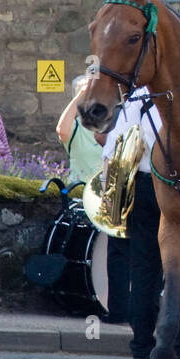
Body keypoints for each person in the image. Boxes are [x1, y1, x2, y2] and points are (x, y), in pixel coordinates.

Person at [105, 88, 180, 359]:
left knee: (142, 268)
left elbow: (112, 148)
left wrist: (110, 196)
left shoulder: (137, 97)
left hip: (142, 185)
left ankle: (141, 346)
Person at [56, 74, 128, 321]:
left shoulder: (112, 125)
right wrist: (79, 95)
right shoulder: (77, 129)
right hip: (83, 196)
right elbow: (62, 129)